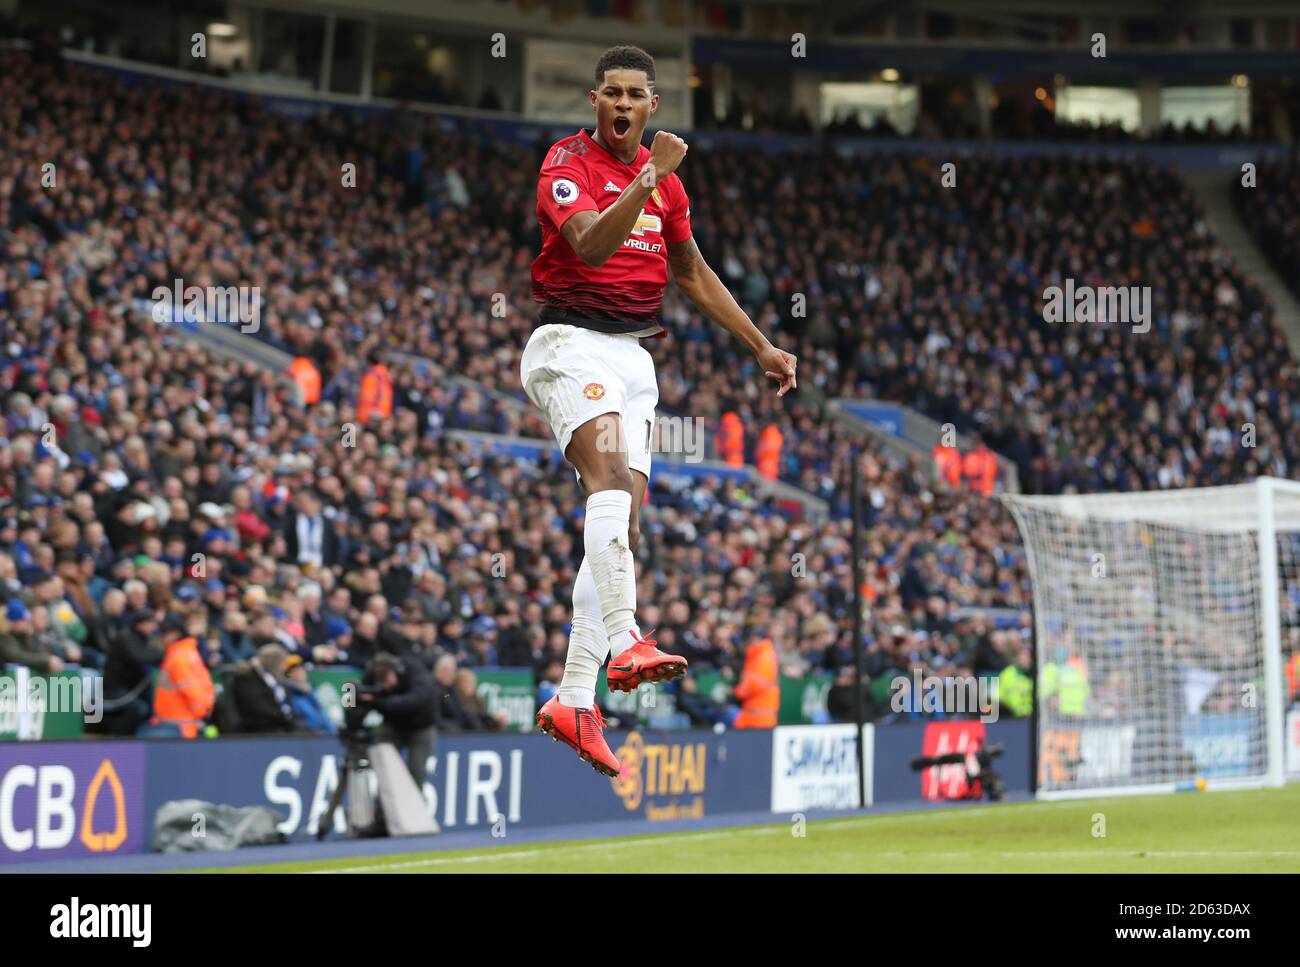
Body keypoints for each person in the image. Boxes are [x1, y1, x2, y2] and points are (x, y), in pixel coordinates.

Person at [522, 44, 798, 776]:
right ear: (594, 101)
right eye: (610, 92)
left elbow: (692, 272)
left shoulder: (666, 186)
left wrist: (761, 346)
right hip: (570, 340)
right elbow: (588, 247)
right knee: (609, 483)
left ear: (652, 105)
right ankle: (626, 640)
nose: (622, 103)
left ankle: (574, 697)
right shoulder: (566, 163)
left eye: (634, 93)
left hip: (634, 357)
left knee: (626, 525)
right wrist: (647, 179)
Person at [359, 652, 437, 787]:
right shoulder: (372, 674)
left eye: (386, 677)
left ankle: (413, 799)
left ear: (396, 670)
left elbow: (414, 700)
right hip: (393, 724)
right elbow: (361, 693)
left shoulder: (414, 669)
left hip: (421, 727)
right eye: (381, 679)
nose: (386, 684)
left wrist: (378, 701)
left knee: (416, 770)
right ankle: (384, 800)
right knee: (385, 767)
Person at [150, 614, 215, 738]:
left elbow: (192, 691)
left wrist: (200, 714)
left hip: (179, 727)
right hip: (180, 723)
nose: (161, 638)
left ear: (174, 634)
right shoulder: (188, 652)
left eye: (163, 634)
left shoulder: (178, 658)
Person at [283, 654, 336, 733]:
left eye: (301, 669)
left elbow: (323, 715)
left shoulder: (311, 691)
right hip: (306, 736)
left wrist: (333, 731)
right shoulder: (288, 695)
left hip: (323, 735)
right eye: (295, 670)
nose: (300, 672)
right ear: (289, 674)